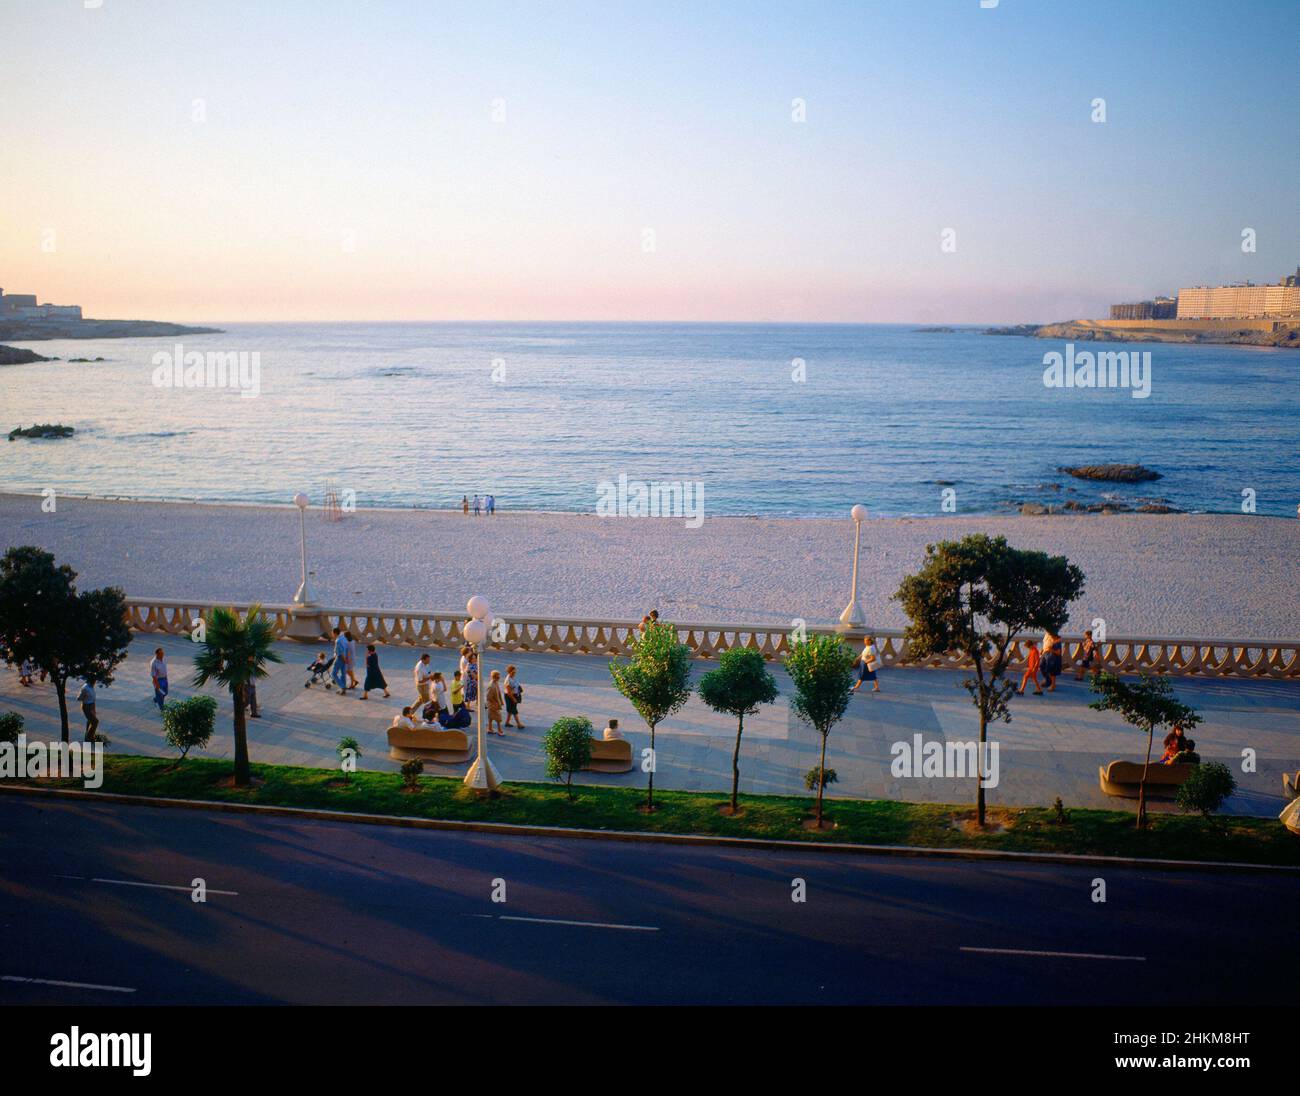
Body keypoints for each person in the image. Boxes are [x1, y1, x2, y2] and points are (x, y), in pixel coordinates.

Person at [503, 664, 524, 729]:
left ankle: (507, 722)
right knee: (514, 710)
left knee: (510, 710)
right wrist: (513, 699)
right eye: (513, 672)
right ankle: (519, 724)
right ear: (509, 671)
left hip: (515, 694)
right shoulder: (508, 680)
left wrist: (520, 689)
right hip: (510, 696)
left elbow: (516, 685)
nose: (514, 673)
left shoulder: (513, 677)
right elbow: (509, 692)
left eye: (515, 672)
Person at [149, 647, 169, 712]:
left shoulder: (163, 659)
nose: (163, 654)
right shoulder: (153, 663)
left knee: (165, 693)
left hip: (165, 679)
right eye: (161, 653)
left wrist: (166, 678)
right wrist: (157, 684)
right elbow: (153, 675)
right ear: (157, 654)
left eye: (163, 653)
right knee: (160, 694)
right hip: (158, 680)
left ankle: (155, 699)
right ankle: (162, 709)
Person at [331, 627, 350, 692]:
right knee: (343, 673)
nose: (332, 634)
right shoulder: (344, 638)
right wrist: (347, 658)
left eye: (332, 633)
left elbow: (340, 652)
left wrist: (344, 659)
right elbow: (347, 648)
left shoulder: (338, 641)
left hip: (340, 658)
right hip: (345, 657)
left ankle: (342, 686)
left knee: (333, 674)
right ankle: (343, 687)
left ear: (335, 633)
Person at [486, 670, 504, 736]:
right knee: (498, 717)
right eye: (498, 676)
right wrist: (496, 703)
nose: (499, 677)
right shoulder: (491, 685)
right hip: (493, 705)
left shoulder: (495, 683)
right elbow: (488, 697)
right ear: (495, 677)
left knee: (491, 717)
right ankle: (500, 731)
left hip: (493, 704)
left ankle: (490, 729)